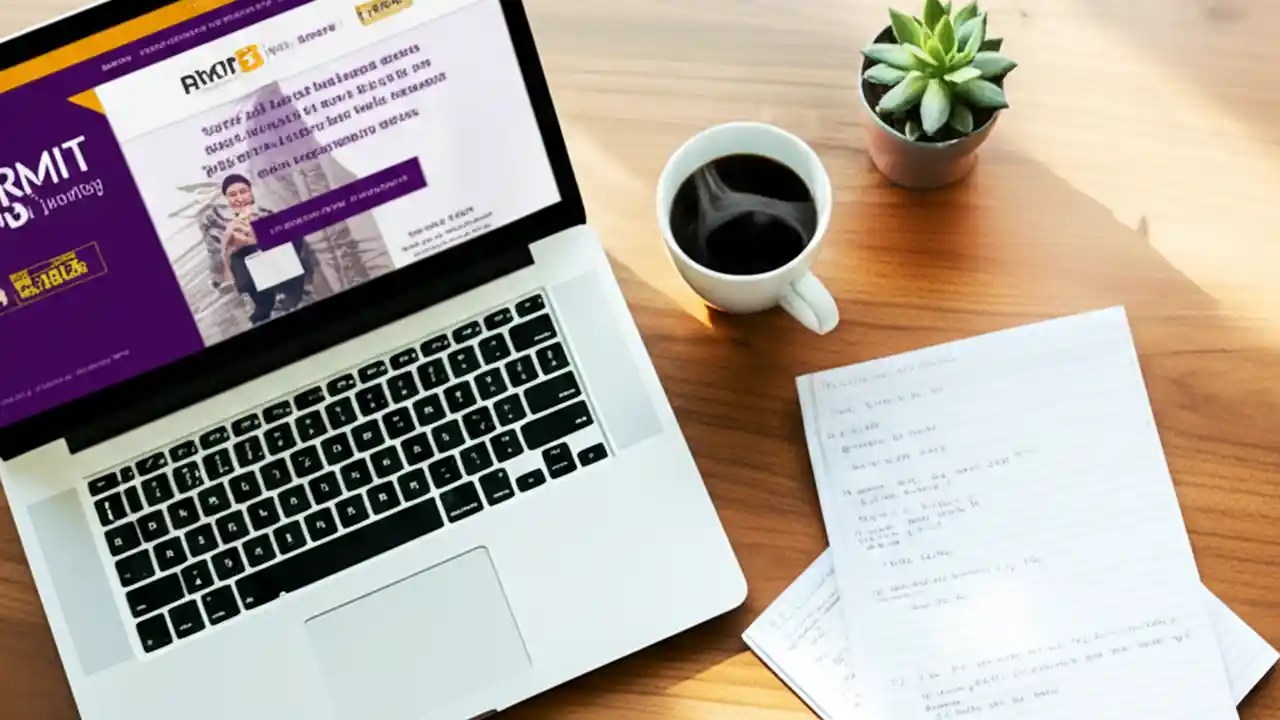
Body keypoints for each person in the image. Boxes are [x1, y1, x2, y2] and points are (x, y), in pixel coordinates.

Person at [220, 174, 310, 325]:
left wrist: (256, 236)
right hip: (261, 298)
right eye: (232, 195)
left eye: (243, 191)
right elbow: (228, 276)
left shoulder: (268, 213)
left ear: (251, 192)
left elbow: (296, 243)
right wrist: (227, 247)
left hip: (289, 283)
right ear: (226, 199)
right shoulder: (225, 229)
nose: (239, 198)